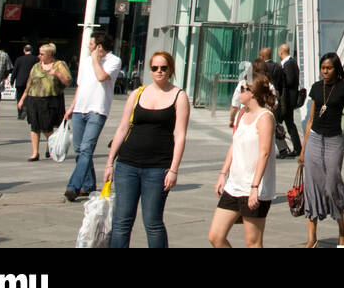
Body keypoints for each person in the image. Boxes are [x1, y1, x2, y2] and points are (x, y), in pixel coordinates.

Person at [104, 51, 190, 248]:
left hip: (158, 167)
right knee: (121, 222)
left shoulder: (179, 96)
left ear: (171, 70)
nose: (159, 72)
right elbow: (122, 128)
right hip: (127, 164)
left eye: (163, 68)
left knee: (153, 222)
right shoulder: (137, 93)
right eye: (155, 68)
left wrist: (174, 169)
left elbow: (180, 135)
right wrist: (110, 162)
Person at [298, 52, 344, 248]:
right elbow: (310, 119)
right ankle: (312, 239)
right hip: (314, 140)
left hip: (334, 141)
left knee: (331, 185)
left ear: (336, 69)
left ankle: (342, 228)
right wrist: (303, 150)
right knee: (311, 186)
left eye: (328, 68)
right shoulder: (316, 88)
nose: (325, 72)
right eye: (322, 68)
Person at [209, 70, 276, 248]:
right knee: (216, 236)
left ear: (252, 93)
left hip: (254, 188)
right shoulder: (242, 114)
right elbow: (234, 145)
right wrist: (223, 174)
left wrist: (254, 187)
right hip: (234, 185)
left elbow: (264, 153)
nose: (239, 92)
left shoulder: (265, 117)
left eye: (243, 89)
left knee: (252, 243)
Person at [64, 31, 121, 202]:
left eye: (91, 44)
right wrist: (72, 108)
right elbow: (80, 86)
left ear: (99, 47)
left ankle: (73, 186)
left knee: (87, 149)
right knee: (79, 149)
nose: (88, 46)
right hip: (80, 109)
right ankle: (88, 185)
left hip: (97, 110)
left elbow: (102, 77)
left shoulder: (114, 61)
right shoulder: (86, 61)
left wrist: (96, 59)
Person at [19, 44, 70, 161]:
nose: (39, 56)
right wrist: (22, 99)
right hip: (34, 99)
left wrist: (57, 74)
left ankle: (51, 146)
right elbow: (29, 83)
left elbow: (67, 81)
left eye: (42, 54)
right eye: (39, 53)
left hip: (51, 100)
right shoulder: (36, 66)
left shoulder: (59, 65)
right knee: (34, 126)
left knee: (47, 127)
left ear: (50, 55)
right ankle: (35, 153)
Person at [277, 43, 302, 159]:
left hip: (287, 100)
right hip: (288, 99)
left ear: (281, 52)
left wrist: (281, 81)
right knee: (289, 123)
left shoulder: (289, 64)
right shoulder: (290, 63)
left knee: (289, 124)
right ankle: (296, 148)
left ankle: (297, 148)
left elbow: (290, 81)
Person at [11, 45, 38, 120]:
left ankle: (20, 114)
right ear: (31, 50)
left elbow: (15, 71)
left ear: (24, 50)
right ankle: (28, 112)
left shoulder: (19, 59)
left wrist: (12, 80)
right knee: (29, 98)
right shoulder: (36, 59)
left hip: (20, 81)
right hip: (31, 82)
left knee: (19, 97)